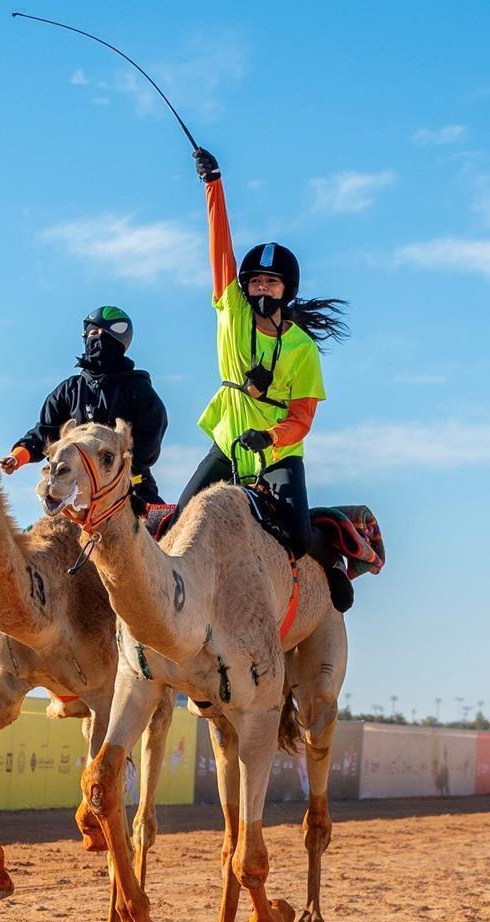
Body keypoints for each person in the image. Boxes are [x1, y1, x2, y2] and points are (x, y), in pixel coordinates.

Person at [177, 145, 353, 611]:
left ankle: (333, 554)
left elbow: (302, 418)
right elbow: (221, 248)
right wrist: (213, 185)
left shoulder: (302, 349)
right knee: (179, 522)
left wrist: (270, 438)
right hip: (228, 442)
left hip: (278, 452)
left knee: (296, 537)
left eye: (271, 283)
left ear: (286, 291)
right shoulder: (231, 312)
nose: (261, 288)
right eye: (254, 281)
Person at [1, 306, 169, 506]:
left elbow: (149, 439)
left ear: (120, 341)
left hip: (130, 486)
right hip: (72, 489)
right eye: (92, 333)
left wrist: (114, 468)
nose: (97, 338)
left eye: (104, 333)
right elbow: (44, 434)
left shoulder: (138, 389)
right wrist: (17, 458)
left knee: (164, 523)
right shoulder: (69, 390)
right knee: (49, 526)